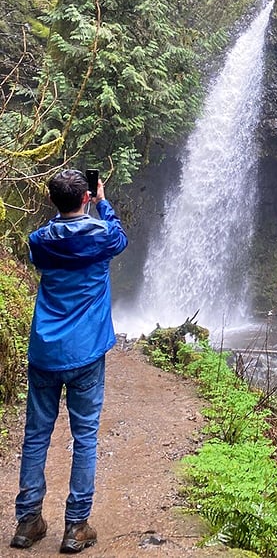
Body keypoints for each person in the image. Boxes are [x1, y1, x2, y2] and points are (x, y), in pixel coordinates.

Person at [11, 169, 128, 553]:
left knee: (35, 436)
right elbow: (118, 234)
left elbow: (48, 236)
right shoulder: (102, 236)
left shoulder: (39, 241)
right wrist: (102, 201)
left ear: (52, 201)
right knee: (85, 437)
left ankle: (28, 523)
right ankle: (76, 526)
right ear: (86, 198)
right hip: (87, 352)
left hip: (46, 351)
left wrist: (65, 209)